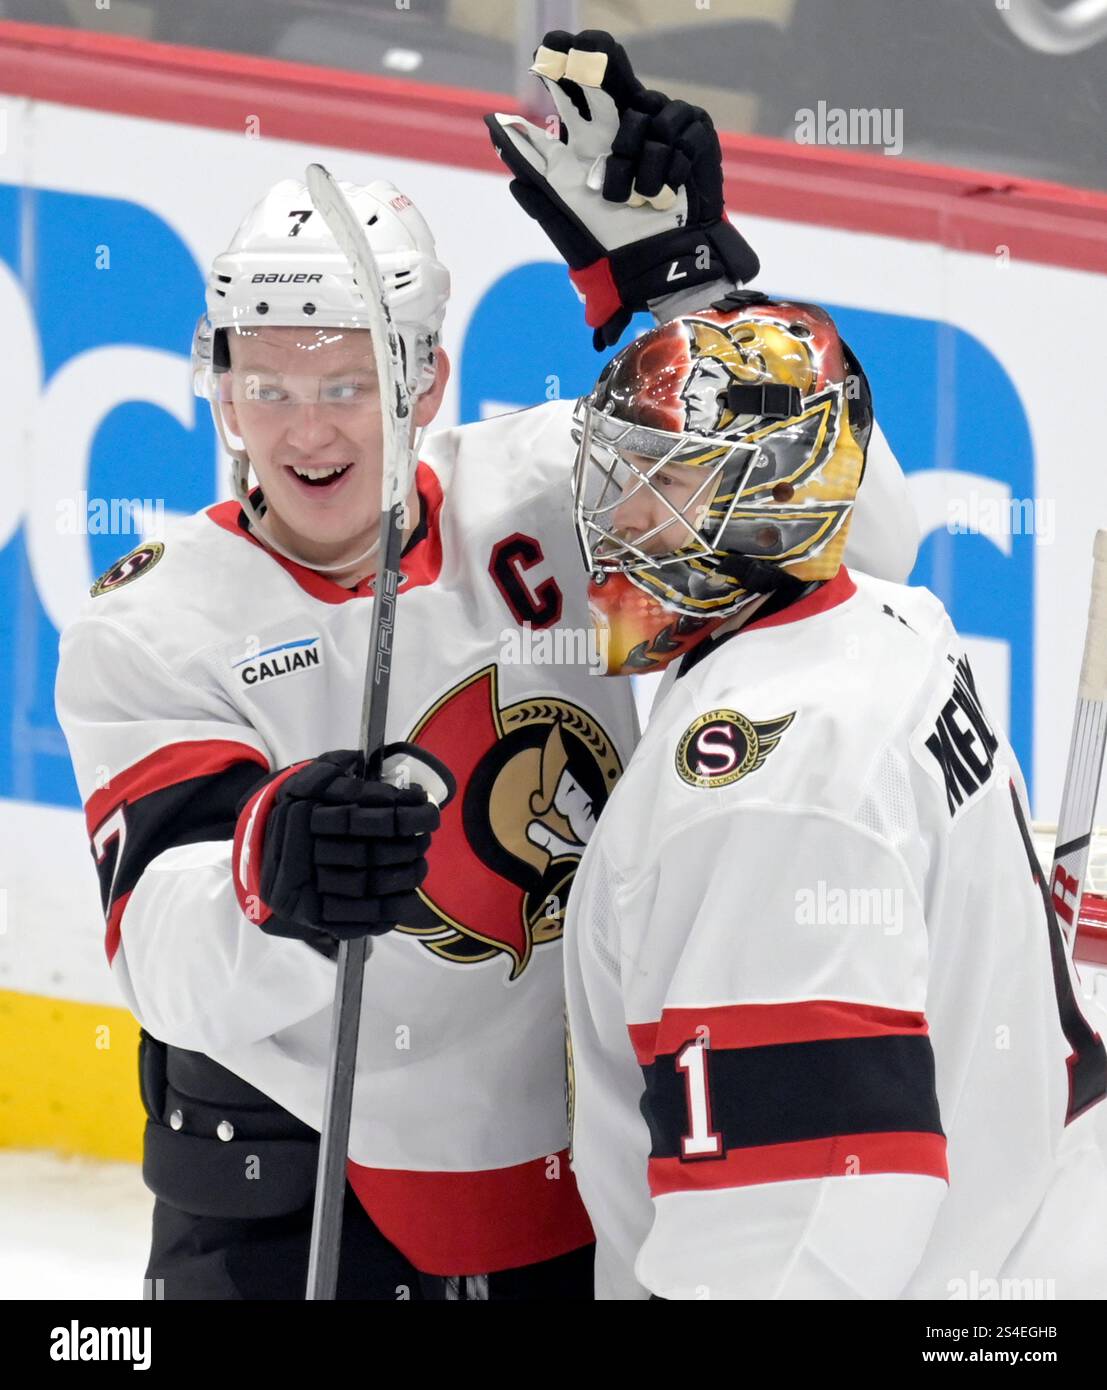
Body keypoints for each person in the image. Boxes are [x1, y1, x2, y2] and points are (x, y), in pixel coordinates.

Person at [55, 32, 917, 1300]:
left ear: (426, 379)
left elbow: (865, 551)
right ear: (220, 392)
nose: (307, 429)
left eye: (350, 383)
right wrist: (267, 877)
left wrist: (688, 300)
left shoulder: (558, 483)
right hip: (302, 1188)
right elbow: (163, 955)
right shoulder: (152, 621)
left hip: (580, 1156)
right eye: (269, 384)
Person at [561, 292, 1107, 1299]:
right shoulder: (897, 624)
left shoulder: (767, 798)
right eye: (624, 470)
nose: (622, 514)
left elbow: (798, 1233)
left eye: (668, 478)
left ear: (775, 501)